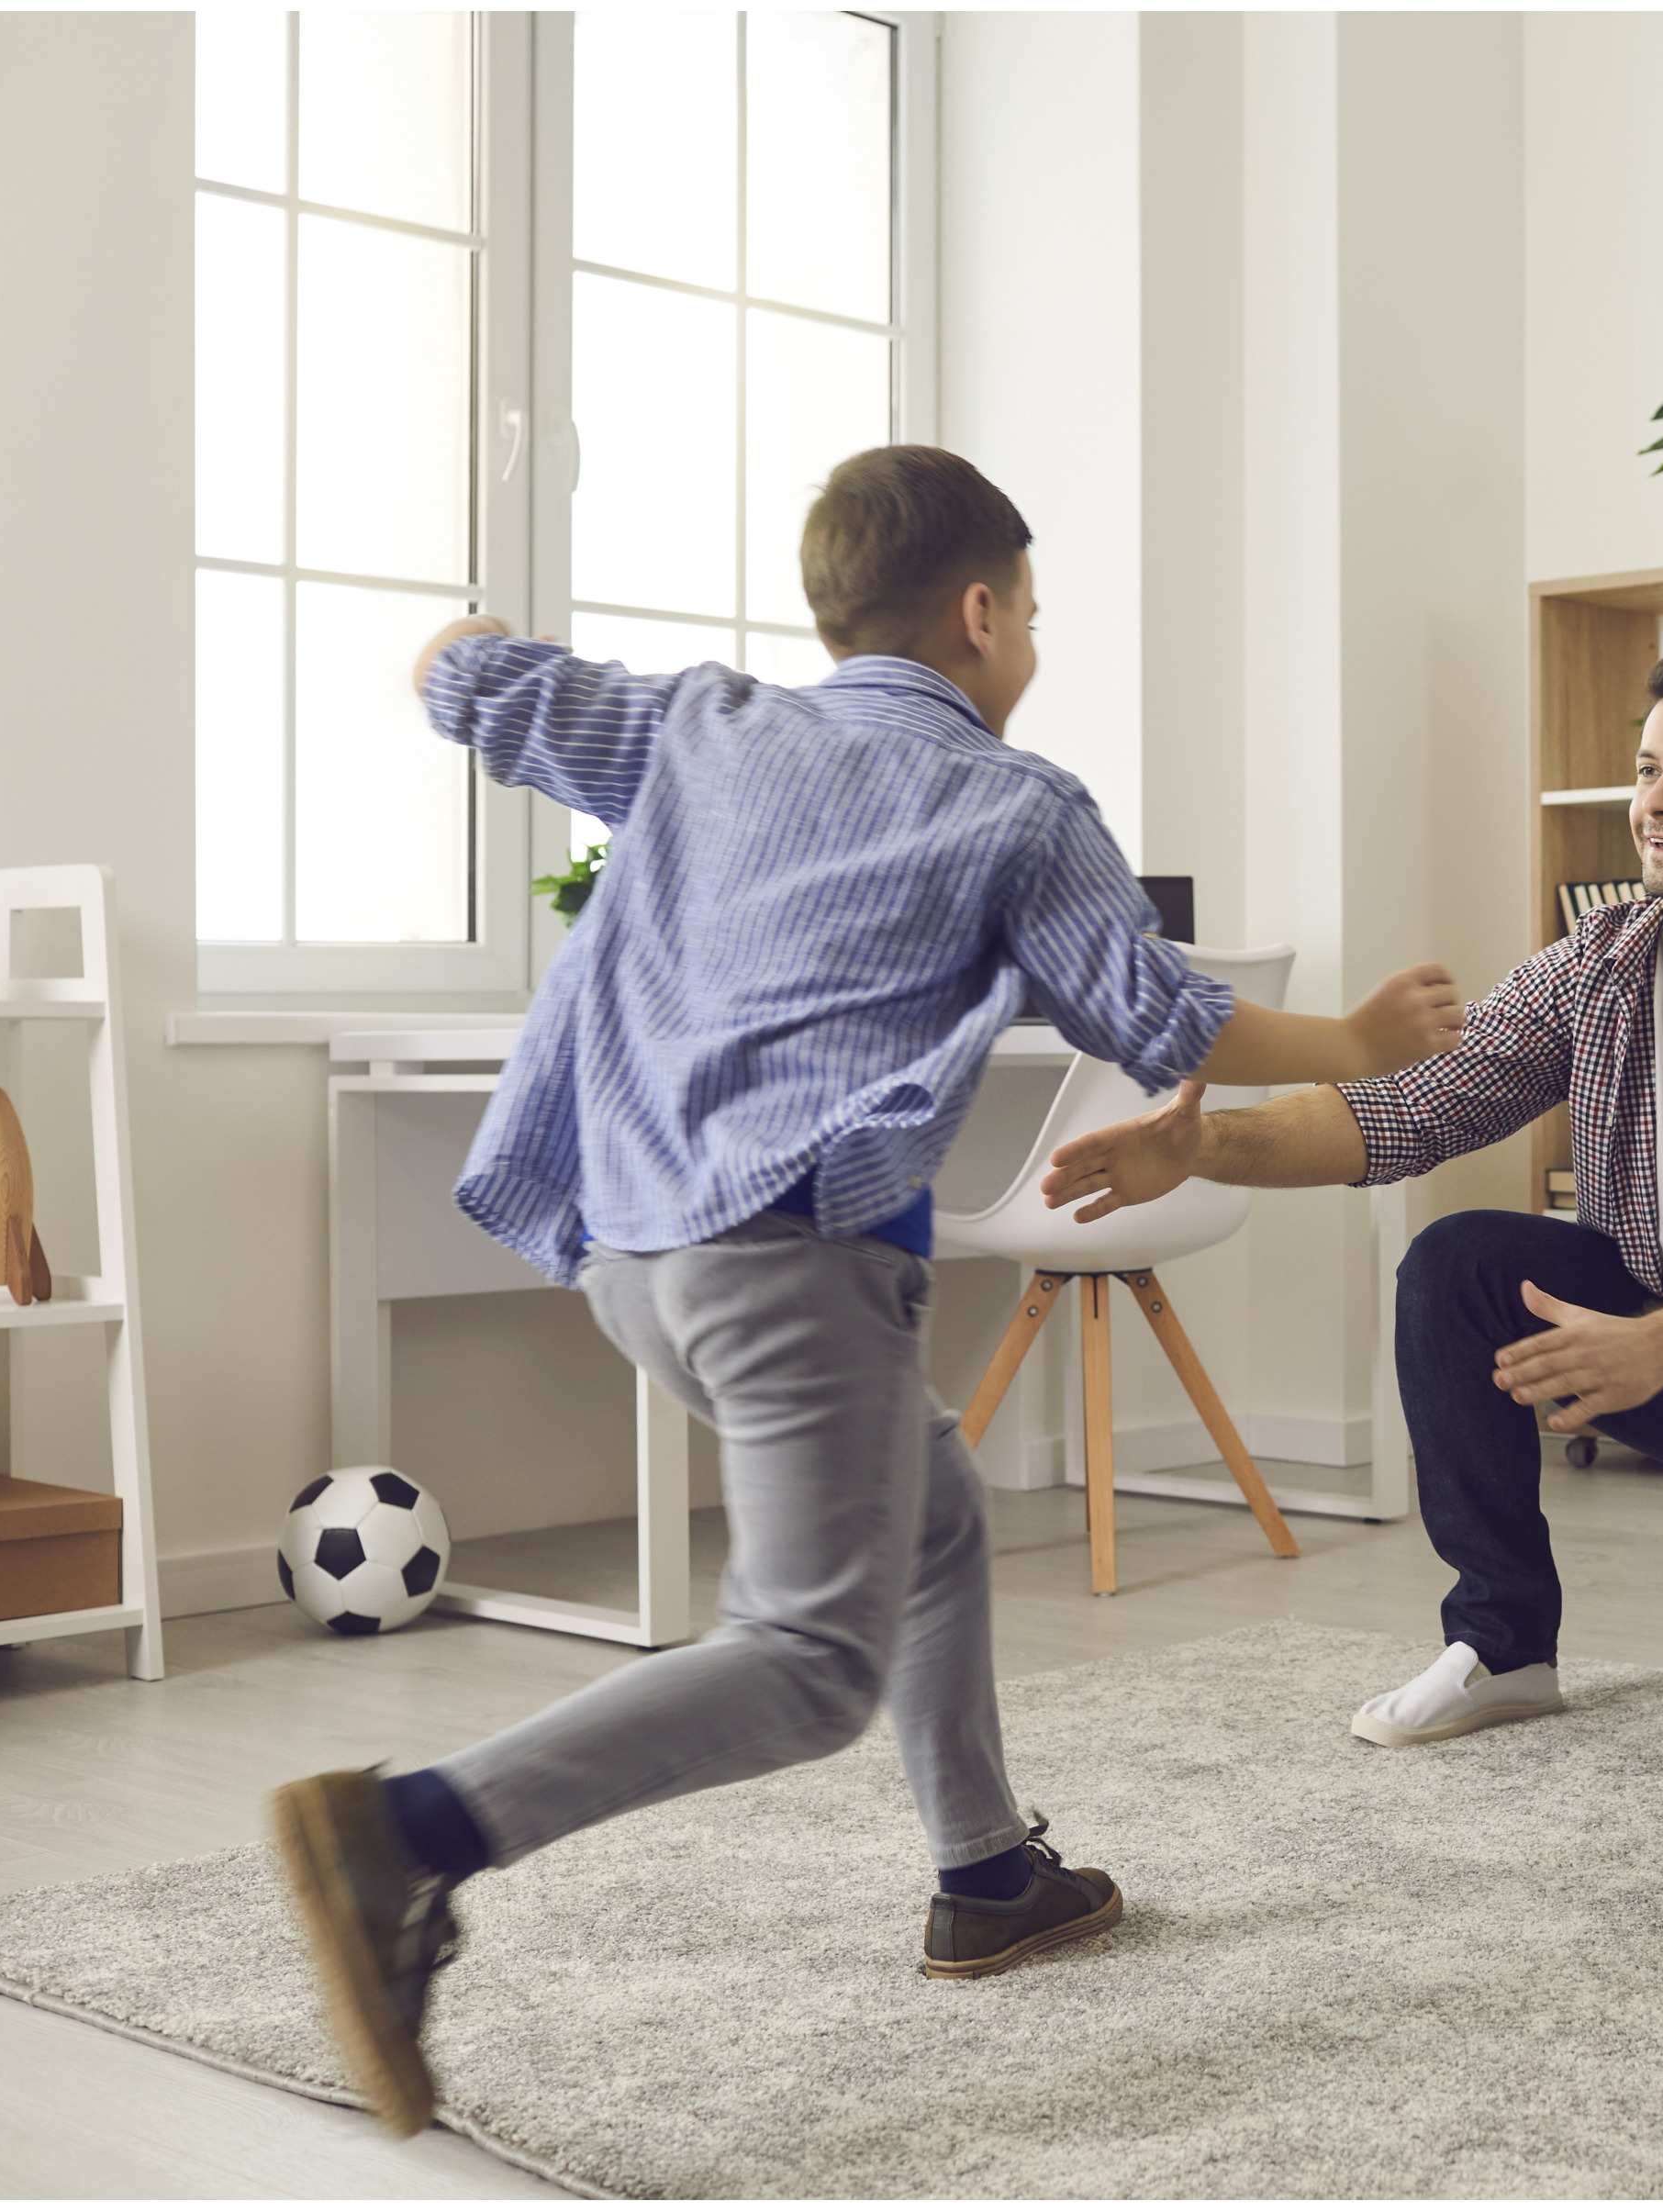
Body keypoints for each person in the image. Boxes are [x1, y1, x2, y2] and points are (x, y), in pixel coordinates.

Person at [264, 446, 1464, 2139]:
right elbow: (1156, 1017)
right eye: (1032, 613)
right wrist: (1352, 1043)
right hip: (795, 1264)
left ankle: (986, 1871)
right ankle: (414, 1834)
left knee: (939, 1509)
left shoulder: (699, 723)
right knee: (810, 1662)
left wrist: (458, 634)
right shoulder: (1012, 802)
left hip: (625, 1248)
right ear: (979, 614)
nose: (1032, 645)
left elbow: (462, 676)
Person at [1044, 646, 1663, 1754]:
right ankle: (1505, 1645)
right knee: (1457, 1263)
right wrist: (1201, 1147)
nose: (1656, 802)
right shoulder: (1595, 963)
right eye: (1648, 769)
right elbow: (1416, 1107)